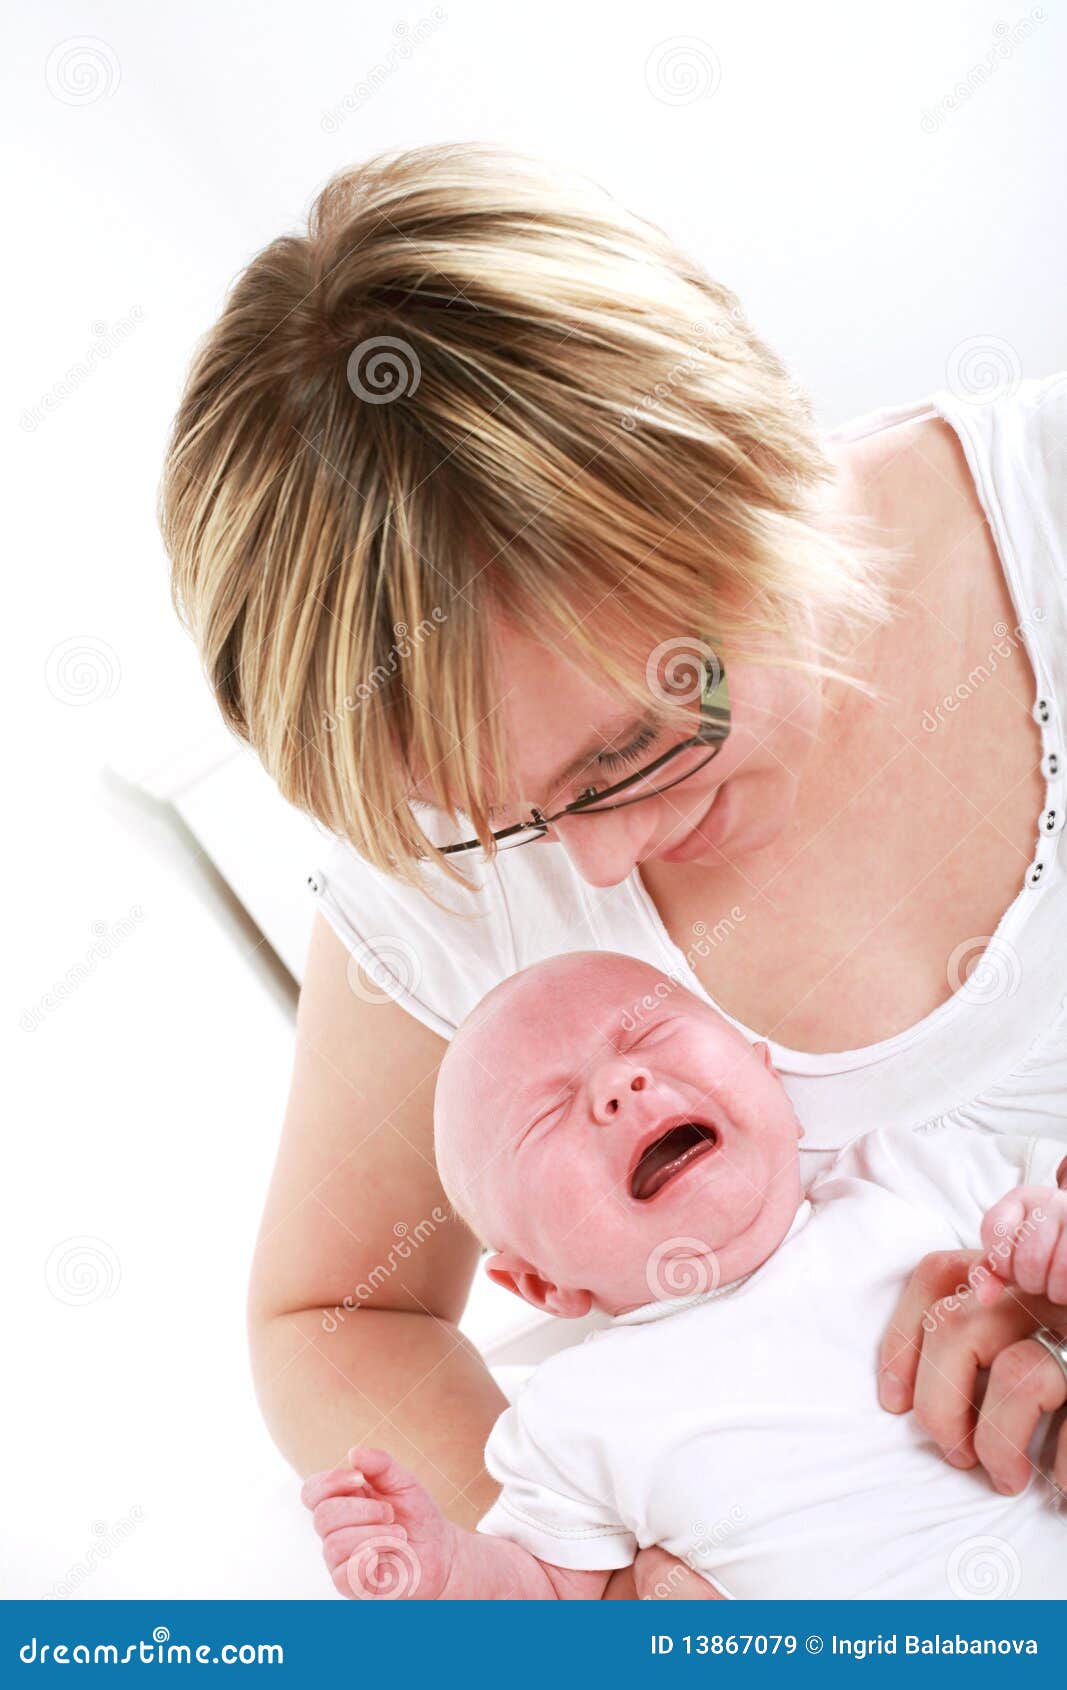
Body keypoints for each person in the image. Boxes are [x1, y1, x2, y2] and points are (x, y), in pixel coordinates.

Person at [158, 141, 1067, 1599]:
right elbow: (333, 1312)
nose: (584, 859)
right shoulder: (454, 869)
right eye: (494, 814)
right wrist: (616, 1582)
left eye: (635, 740)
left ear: (750, 461)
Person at [301, 951, 1067, 1601]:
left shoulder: (909, 1177)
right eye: (546, 1115)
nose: (620, 1085)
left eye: (650, 1034)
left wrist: (1049, 1240)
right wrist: (444, 1568)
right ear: (541, 1286)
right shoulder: (572, 1415)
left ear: (774, 1083)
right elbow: (550, 1594)